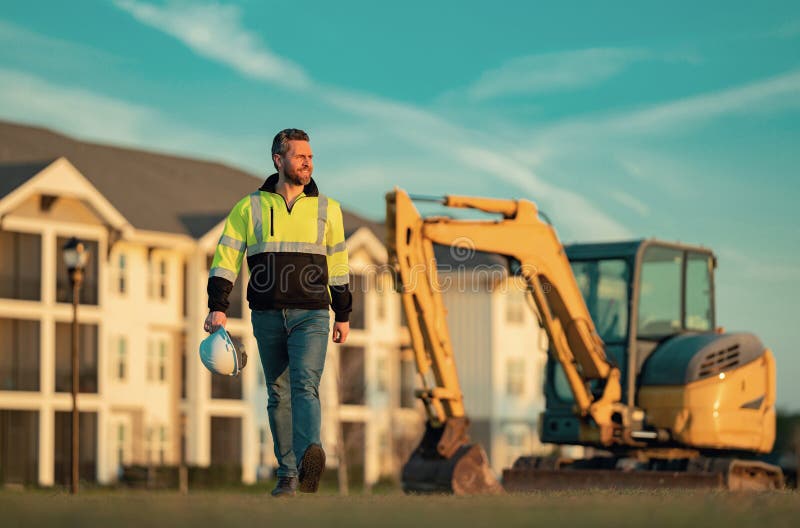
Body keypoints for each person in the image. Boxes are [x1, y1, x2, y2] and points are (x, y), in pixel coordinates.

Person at [204, 128, 352, 497]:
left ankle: (308, 461)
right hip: (267, 314)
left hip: (313, 315)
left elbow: (339, 265)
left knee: (305, 385)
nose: (308, 162)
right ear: (278, 159)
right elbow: (226, 258)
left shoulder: (327, 209)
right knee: (277, 393)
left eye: (311, 157)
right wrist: (217, 307)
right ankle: (287, 475)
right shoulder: (249, 207)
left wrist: (344, 313)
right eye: (300, 155)